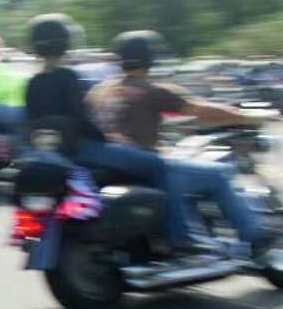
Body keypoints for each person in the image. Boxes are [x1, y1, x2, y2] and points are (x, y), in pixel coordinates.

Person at [23, 13, 193, 250]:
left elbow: (30, 121)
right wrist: (108, 138)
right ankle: (179, 236)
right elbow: (83, 120)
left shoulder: (33, 82)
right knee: (157, 164)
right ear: (65, 42)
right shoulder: (69, 78)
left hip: (54, 153)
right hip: (82, 149)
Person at [89, 30, 269, 253]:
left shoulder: (100, 91)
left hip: (112, 166)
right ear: (150, 59)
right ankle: (256, 240)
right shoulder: (150, 91)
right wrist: (248, 117)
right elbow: (200, 110)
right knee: (219, 174)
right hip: (146, 167)